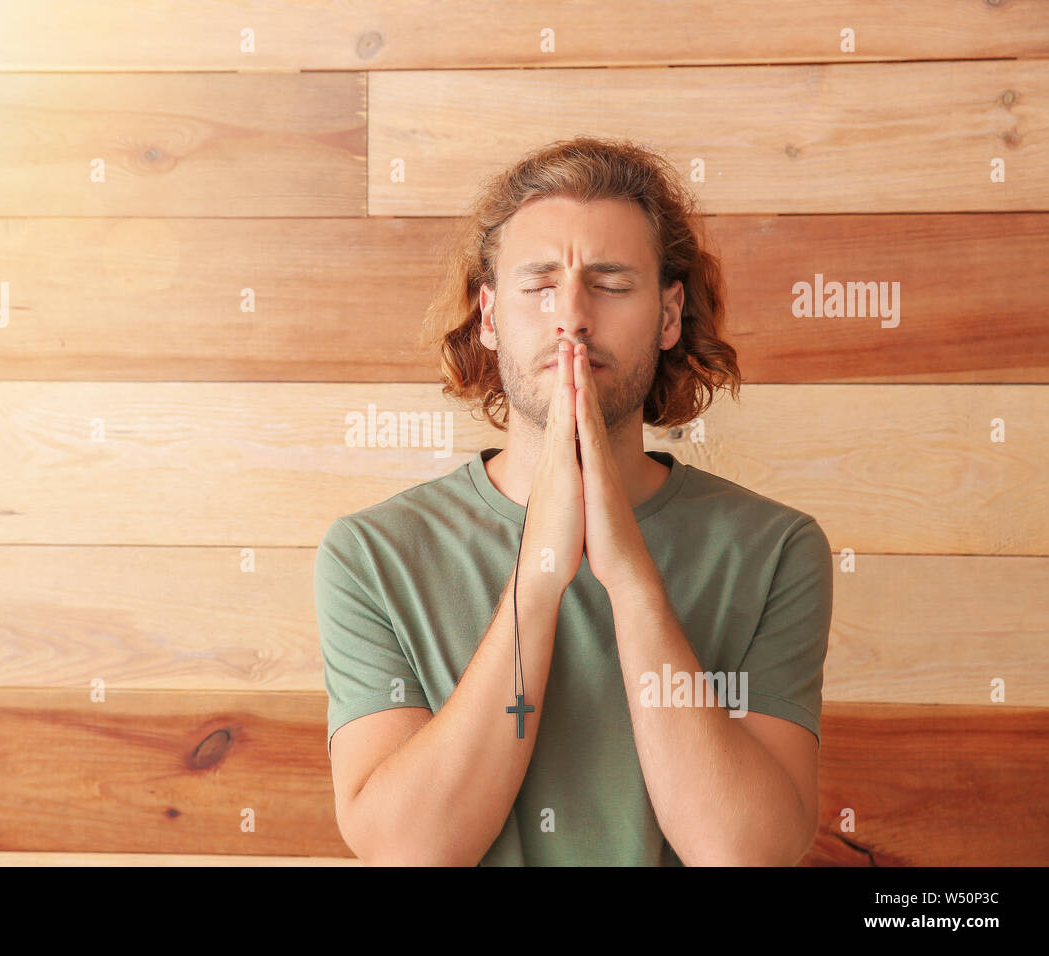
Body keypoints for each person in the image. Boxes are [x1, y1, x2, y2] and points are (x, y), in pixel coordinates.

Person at [314, 136, 833, 866]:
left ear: (669, 314)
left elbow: (743, 852)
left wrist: (630, 578)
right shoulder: (371, 556)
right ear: (490, 318)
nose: (573, 319)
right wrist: (539, 577)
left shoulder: (777, 551)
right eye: (541, 284)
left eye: (612, 283)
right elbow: (411, 850)